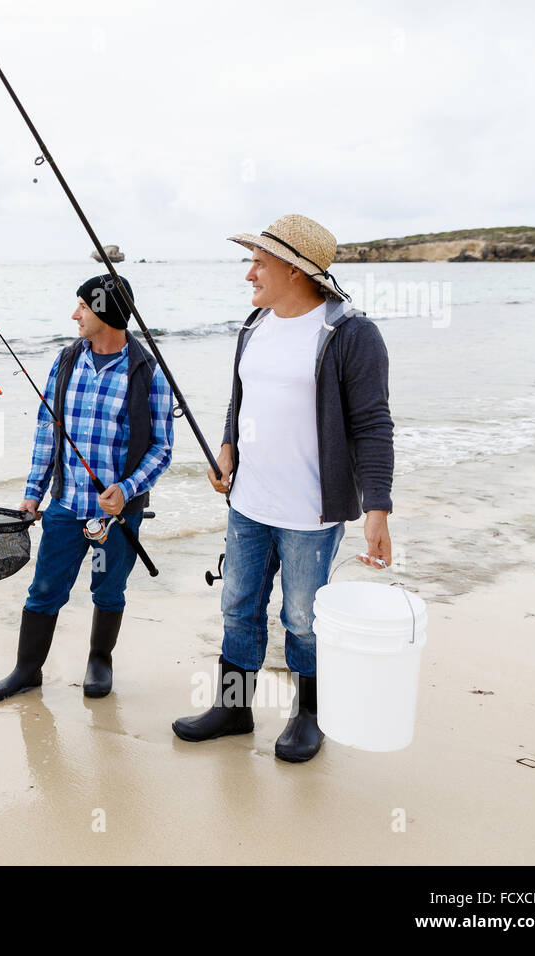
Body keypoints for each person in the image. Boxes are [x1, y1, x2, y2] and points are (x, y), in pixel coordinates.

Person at [171, 214, 395, 762]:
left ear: (295, 271)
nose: (250, 274)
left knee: (302, 619)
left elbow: (372, 423)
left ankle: (309, 717)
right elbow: (238, 402)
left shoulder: (350, 332)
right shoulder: (254, 326)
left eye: (259, 263)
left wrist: (378, 508)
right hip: (247, 502)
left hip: (311, 514)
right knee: (238, 606)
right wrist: (227, 449)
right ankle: (235, 709)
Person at [0, 274, 173, 702]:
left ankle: (99, 661)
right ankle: (27, 671)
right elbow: (47, 432)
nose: (75, 315)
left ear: (104, 312)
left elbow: (162, 448)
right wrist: (33, 492)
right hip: (65, 507)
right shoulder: (66, 360)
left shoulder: (148, 373)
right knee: (45, 589)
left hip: (117, 515)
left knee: (108, 588)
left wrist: (127, 489)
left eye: (83, 307)